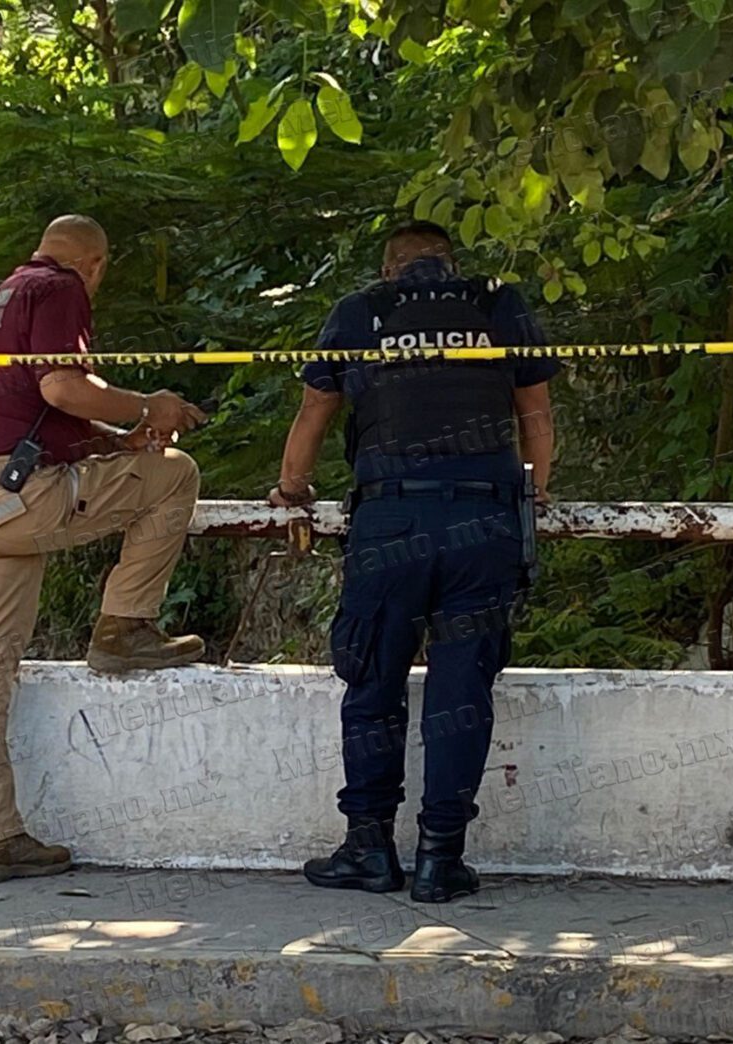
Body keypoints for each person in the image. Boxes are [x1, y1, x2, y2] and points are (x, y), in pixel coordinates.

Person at [268, 220, 556, 903]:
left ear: (391, 268)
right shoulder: (496, 304)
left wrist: (291, 489)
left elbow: (315, 411)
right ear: (449, 264)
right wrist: (534, 492)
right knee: (461, 694)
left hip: (390, 521)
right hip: (482, 520)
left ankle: (369, 848)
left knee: (372, 685)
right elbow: (536, 414)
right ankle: (439, 859)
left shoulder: (360, 312)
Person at [0, 214, 208, 884]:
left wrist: (113, 445)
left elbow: (39, 410)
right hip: (19, 496)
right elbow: (60, 385)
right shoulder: (60, 289)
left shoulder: (2, 295)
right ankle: (124, 627)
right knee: (175, 473)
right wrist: (151, 407)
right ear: (97, 263)